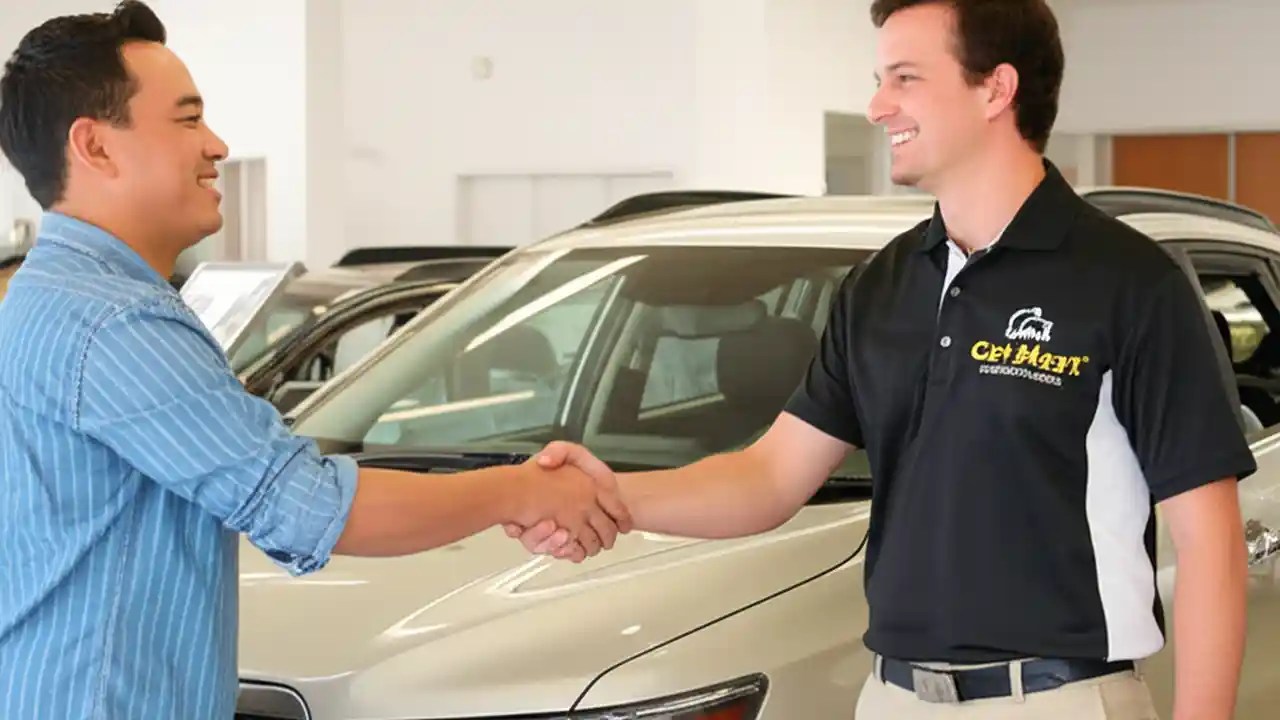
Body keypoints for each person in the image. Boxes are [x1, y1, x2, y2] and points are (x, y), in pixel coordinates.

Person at [512, 1, 1253, 718]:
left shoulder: (1128, 282)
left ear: (996, 87)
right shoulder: (883, 284)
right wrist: (612, 495)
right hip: (893, 699)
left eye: (905, 78)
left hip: (1056, 700)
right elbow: (768, 477)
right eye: (878, 81)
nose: (877, 108)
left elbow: (1208, 543)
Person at [0, 3, 631, 719]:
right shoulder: (113, 321)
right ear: (96, 147)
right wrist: (518, 491)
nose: (217, 145)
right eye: (186, 119)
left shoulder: (50, 296)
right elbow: (306, 508)